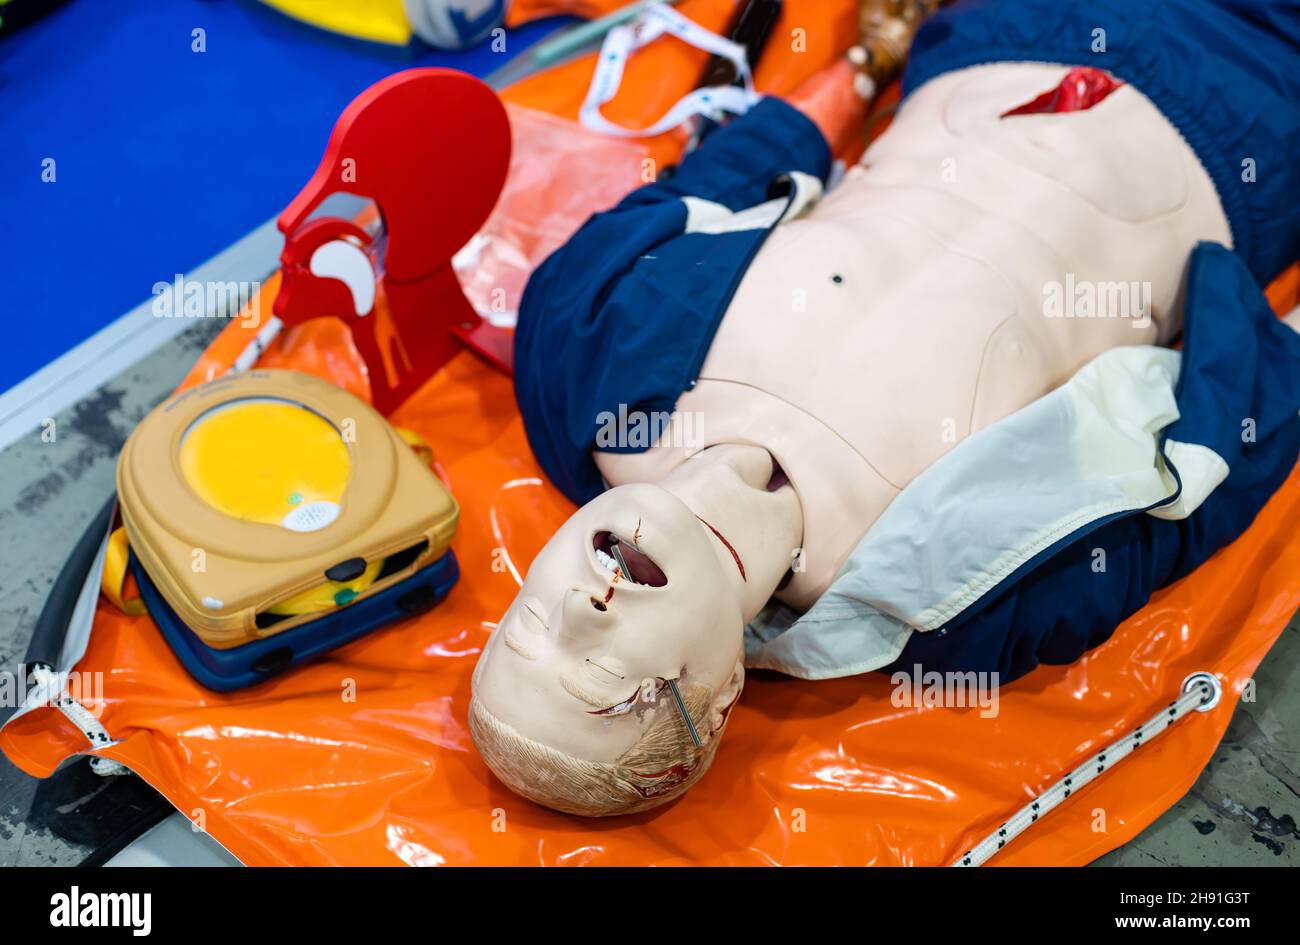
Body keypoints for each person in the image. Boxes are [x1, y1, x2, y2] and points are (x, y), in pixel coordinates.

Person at [470, 0, 1300, 817]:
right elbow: (1207, 468)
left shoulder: (581, 366)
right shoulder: (959, 601)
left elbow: (709, 183)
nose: (583, 609)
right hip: (1249, 103)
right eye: (605, 682)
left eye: (530, 621)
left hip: (998, 35)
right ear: (719, 695)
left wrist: (866, 64)